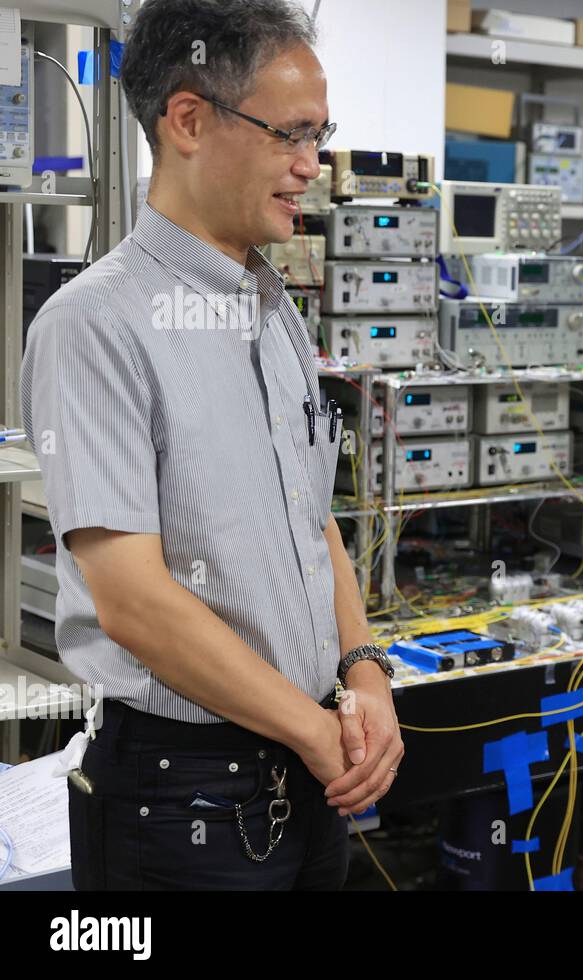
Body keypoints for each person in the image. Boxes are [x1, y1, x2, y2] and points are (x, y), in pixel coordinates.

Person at [21, 0, 402, 890]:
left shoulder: (272, 309)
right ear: (188, 121)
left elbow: (314, 522)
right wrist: (312, 730)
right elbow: (135, 603)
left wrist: (365, 672)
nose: (311, 166)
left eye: (319, 135)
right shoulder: (95, 325)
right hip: (182, 797)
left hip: (306, 768)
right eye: (290, 135)